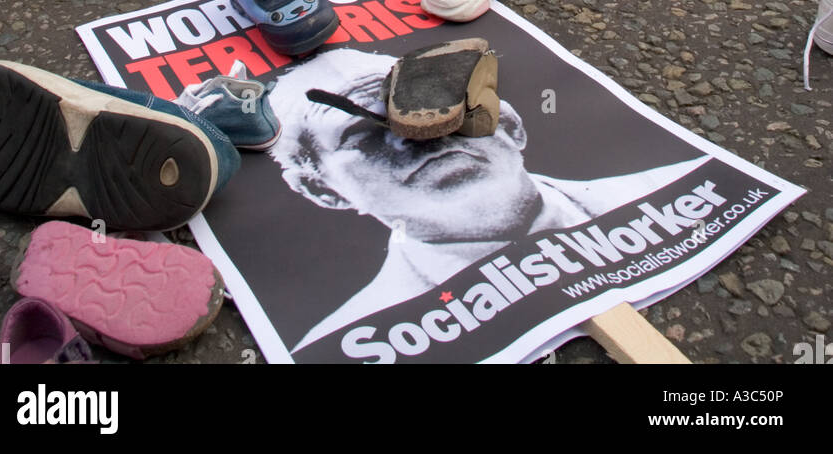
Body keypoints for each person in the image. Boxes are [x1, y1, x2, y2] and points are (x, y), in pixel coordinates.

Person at [268, 48, 709, 351]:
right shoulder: (356, 340)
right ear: (322, 189)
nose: (420, 134)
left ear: (509, 124)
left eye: (427, 105)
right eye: (366, 135)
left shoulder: (693, 186)